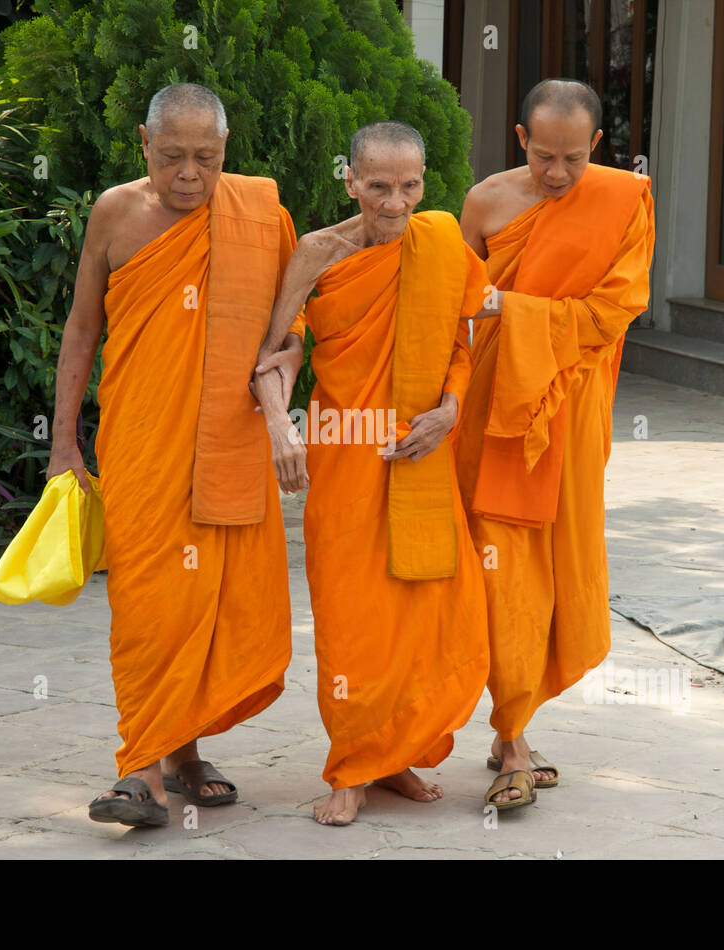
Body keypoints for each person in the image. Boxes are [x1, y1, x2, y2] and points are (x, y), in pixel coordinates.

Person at [47, 82, 305, 828]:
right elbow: (80, 330)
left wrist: (282, 415)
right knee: (149, 606)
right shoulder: (116, 214)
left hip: (229, 443)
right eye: (173, 158)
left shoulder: (259, 212)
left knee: (209, 605)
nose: (190, 174)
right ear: (142, 145)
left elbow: (289, 338)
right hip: (141, 443)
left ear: (226, 152)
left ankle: (184, 754)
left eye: (207, 158)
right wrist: (64, 443)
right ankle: (139, 769)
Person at [252, 121, 491, 826]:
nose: (395, 202)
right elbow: (277, 351)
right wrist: (278, 423)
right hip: (346, 453)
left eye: (410, 185)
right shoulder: (317, 254)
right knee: (352, 616)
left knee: (432, 614)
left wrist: (451, 408)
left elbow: (461, 336)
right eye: (378, 186)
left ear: (424, 182)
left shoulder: (440, 241)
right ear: (349, 181)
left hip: (422, 450)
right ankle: (352, 765)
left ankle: (397, 757)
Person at [455, 79, 656, 808]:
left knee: (555, 570)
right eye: (544, 157)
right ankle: (512, 739)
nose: (559, 174)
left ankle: (516, 724)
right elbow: (457, 307)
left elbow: (617, 310)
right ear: (520, 140)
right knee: (502, 566)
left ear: (597, 147)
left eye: (574, 158)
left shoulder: (621, 202)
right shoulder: (484, 204)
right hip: (492, 412)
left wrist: (516, 308)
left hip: (568, 413)